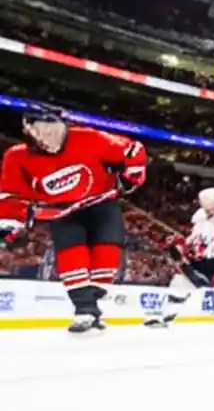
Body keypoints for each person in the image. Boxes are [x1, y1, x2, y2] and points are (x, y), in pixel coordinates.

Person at [0, 103, 146, 333]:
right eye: (45, 131)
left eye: (57, 130)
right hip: (60, 211)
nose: (52, 137)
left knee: (107, 252)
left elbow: (132, 150)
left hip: (100, 202)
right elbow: (12, 193)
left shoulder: (88, 138)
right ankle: (84, 310)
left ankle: (92, 307)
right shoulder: (16, 157)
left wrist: (132, 176)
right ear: (29, 130)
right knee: (71, 256)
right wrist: (10, 222)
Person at [144, 187, 214, 329]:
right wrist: (181, 246)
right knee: (180, 282)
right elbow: (193, 240)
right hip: (203, 260)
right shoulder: (200, 218)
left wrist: (205, 250)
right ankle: (165, 315)